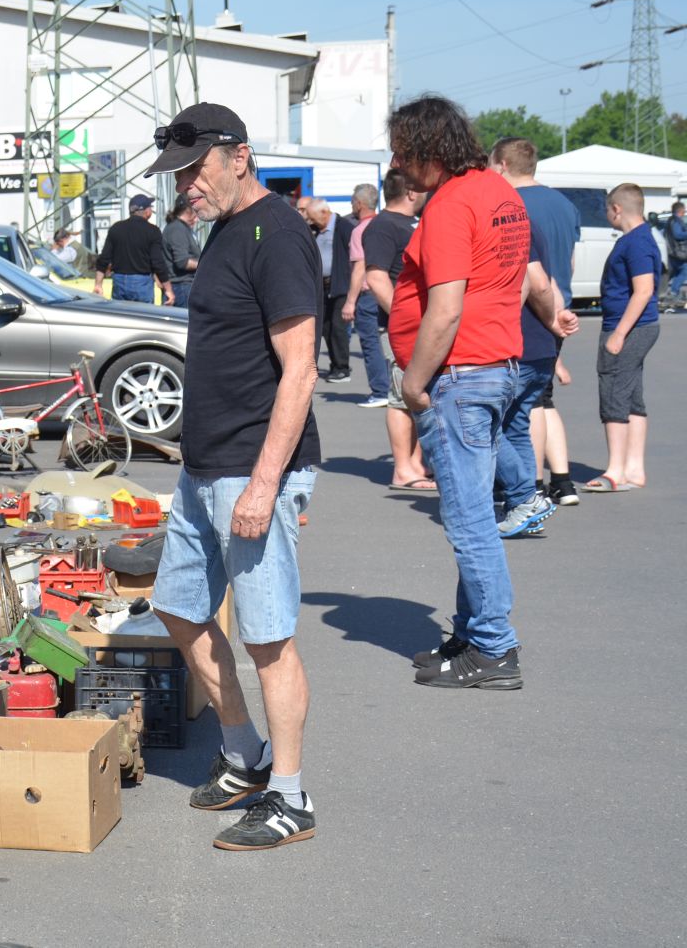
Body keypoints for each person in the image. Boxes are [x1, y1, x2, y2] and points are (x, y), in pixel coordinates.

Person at [143, 103, 321, 851]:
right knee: (180, 608)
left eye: (194, 170)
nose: (185, 186)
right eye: (179, 175)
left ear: (237, 156)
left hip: (251, 469)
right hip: (204, 466)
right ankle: (243, 752)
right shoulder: (223, 232)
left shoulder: (277, 235)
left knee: (268, 636)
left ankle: (291, 795)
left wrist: (263, 483)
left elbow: (301, 368)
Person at [388, 95, 530, 691]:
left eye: (402, 151)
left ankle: (495, 648)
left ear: (426, 150)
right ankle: (472, 635)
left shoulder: (449, 205)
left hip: (460, 373)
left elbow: (443, 311)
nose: (397, 163)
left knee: (469, 520)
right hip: (494, 365)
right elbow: (521, 283)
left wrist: (414, 383)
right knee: (473, 511)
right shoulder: (501, 192)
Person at [489, 138, 580, 510]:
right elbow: (567, 264)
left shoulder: (509, 208)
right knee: (540, 402)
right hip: (557, 311)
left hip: (526, 317)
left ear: (503, 165)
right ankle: (558, 480)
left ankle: (531, 488)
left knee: (523, 410)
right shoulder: (564, 204)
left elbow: (533, 276)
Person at [588, 182, 664, 492]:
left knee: (614, 393)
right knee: (632, 395)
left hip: (629, 326)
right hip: (637, 326)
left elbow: (643, 289)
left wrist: (619, 334)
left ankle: (615, 471)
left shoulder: (635, 242)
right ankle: (634, 469)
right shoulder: (641, 239)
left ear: (616, 209)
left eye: (607, 210)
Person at [361, 172, 430, 488]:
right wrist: (404, 319)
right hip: (402, 329)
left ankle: (416, 463)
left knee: (417, 395)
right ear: (412, 191)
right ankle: (403, 470)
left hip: (424, 327)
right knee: (401, 396)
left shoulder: (414, 222)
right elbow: (376, 278)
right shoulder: (383, 226)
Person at [342, 181, 390, 405]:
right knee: (390, 341)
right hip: (389, 289)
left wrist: (350, 301)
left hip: (369, 293)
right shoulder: (385, 225)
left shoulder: (359, 230)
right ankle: (395, 388)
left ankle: (380, 391)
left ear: (359, 204)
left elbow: (359, 268)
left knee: (370, 342)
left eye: (352, 201)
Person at [303, 198, 356, 381]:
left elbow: (355, 257)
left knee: (338, 328)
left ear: (324, 213)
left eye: (312, 217)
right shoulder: (317, 230)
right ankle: (334, 365)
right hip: (323, 287)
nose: (310, 221)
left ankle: (343, 368)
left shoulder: (344, 227)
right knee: (325, 328)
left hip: (340, 285)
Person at [96, 193, 173, 302]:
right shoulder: (152, 231)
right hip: (142, 282)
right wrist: (168, 289)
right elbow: (157, 262)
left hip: (119, 280)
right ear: (146, 211)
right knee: (143, 317)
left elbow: (104, 258)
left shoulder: (116, 228)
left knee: (121, 317)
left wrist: (98, 284)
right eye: (150, 207)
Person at [162, 196, 201, 306]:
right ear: (188, 210)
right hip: (181, 287)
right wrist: (206, 264)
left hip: (185, 286)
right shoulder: (177, 229)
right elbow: (182, 261)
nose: (197, 219)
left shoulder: (182, 228)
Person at [663, 200, 687, 308]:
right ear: (680, 211)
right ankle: (673, 292)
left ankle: (667, 291)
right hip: (678, 252)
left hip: (672, 252)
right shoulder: (676, 221)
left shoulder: (670, 221)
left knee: (674, 272)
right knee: (684, 271)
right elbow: (678, 235)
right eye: (684, 210)